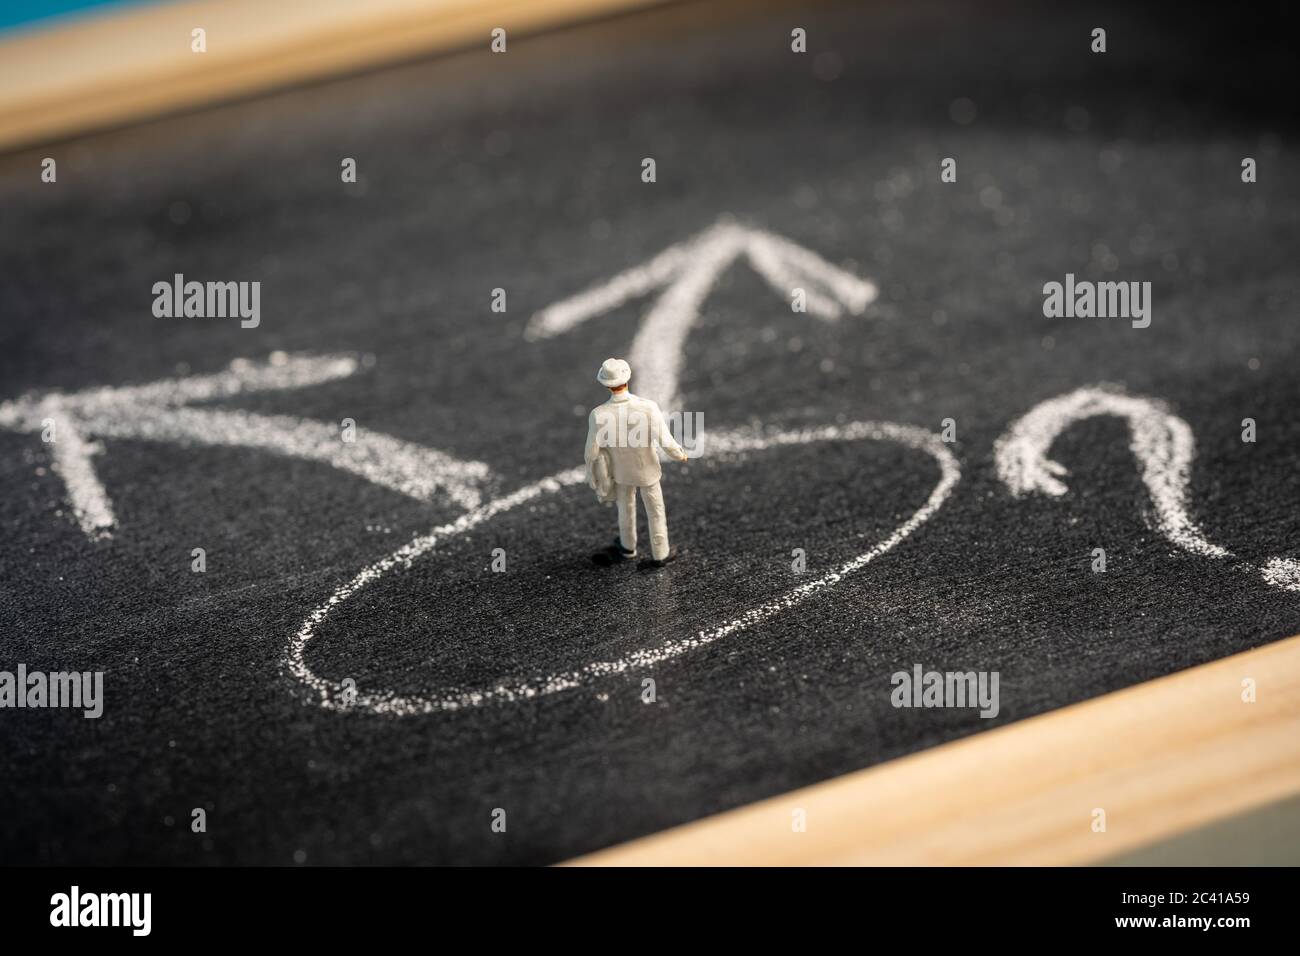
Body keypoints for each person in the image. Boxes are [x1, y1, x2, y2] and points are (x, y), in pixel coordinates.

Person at [584, 358, 688, 567]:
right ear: (627, 379)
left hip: (621, 472)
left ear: (606, 384)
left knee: (625, 509)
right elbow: (665, 440)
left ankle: (628, 546)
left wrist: (592, 473)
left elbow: (592, 451)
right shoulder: (647, 407)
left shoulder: (599, 414)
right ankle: (660, 552)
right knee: (655, 510)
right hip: (648, 470)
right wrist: (679, 454)